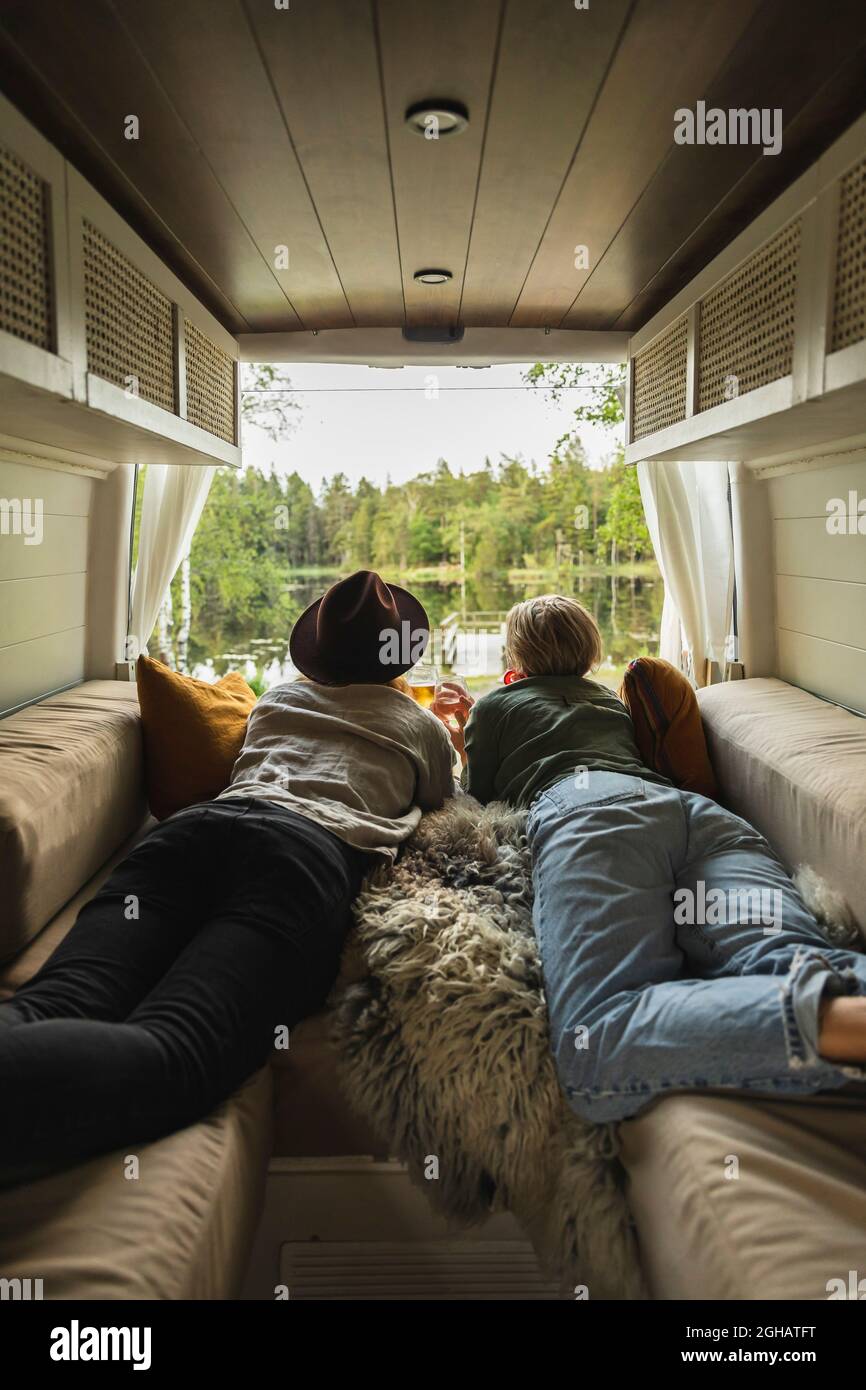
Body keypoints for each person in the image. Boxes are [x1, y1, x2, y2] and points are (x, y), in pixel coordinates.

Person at [0, 571, 456, 1186]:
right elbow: (444, 801)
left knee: (54, 1002)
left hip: (192, 834)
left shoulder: (277, 700)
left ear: (319, 653)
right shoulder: (418, 725)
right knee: (177, 1049)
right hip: (301, 859)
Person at [436, 594, 866, 1124]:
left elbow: (479, 799)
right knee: (792, 953)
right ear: (589, 650)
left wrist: (462, 739)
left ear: (515, 657)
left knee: (597, 1040)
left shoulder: (495, 706)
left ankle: (831, 1025)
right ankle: (848, 1007)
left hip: (591, 815)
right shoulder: (607, 702)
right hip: (697, 816)